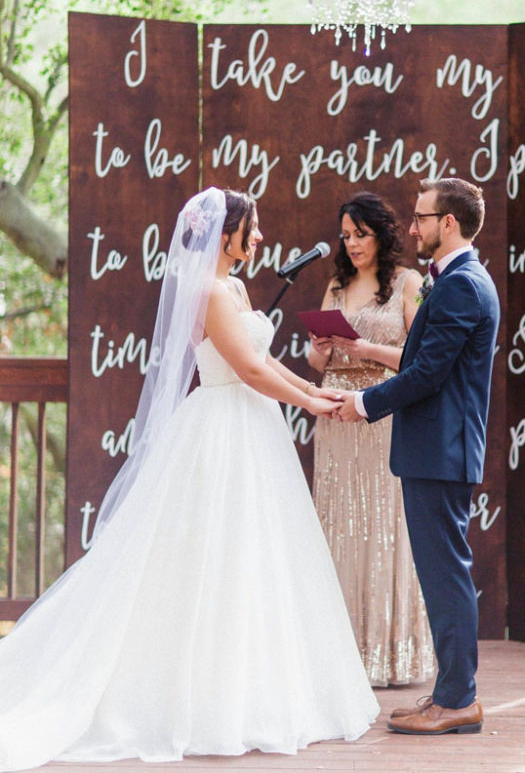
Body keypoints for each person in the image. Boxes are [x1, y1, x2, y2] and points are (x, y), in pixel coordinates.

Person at [0, 187, 378, 770]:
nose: (258, 238)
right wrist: (306, 405)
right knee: (212, 556)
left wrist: (311, 390)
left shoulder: (234, 286)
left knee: (259, 557)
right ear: (222, 234)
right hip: (223, 428)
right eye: (249, 228)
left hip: (255, 428)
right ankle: (202, 699)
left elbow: (264, 360)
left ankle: (257, 690)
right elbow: (246, 368)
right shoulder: (205, 290)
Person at [335, 177, 500, 735]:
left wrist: (362, 403)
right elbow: (425, 363)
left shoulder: (460, 285)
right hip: (435, 451)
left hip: (441, 453)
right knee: (439, 575)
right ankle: (448, 694)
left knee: (446, 575)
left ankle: (458, 700)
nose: (412, 227)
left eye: (421, 217)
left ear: (447, 223)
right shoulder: (454, 281)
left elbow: (427, 372)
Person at [308, 191, 434, 687]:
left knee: (385, 530)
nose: (353, 243)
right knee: (339, 528)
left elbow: (418, 361)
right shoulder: (336, 283)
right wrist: (321, 348)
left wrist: (363, 347)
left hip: (381, 413)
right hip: (335, 416)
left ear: (382, 233)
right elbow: (316, 364)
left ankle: (390, 655)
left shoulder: (409, 283)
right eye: (346, 235)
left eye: (361, 233)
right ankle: (340, 655)